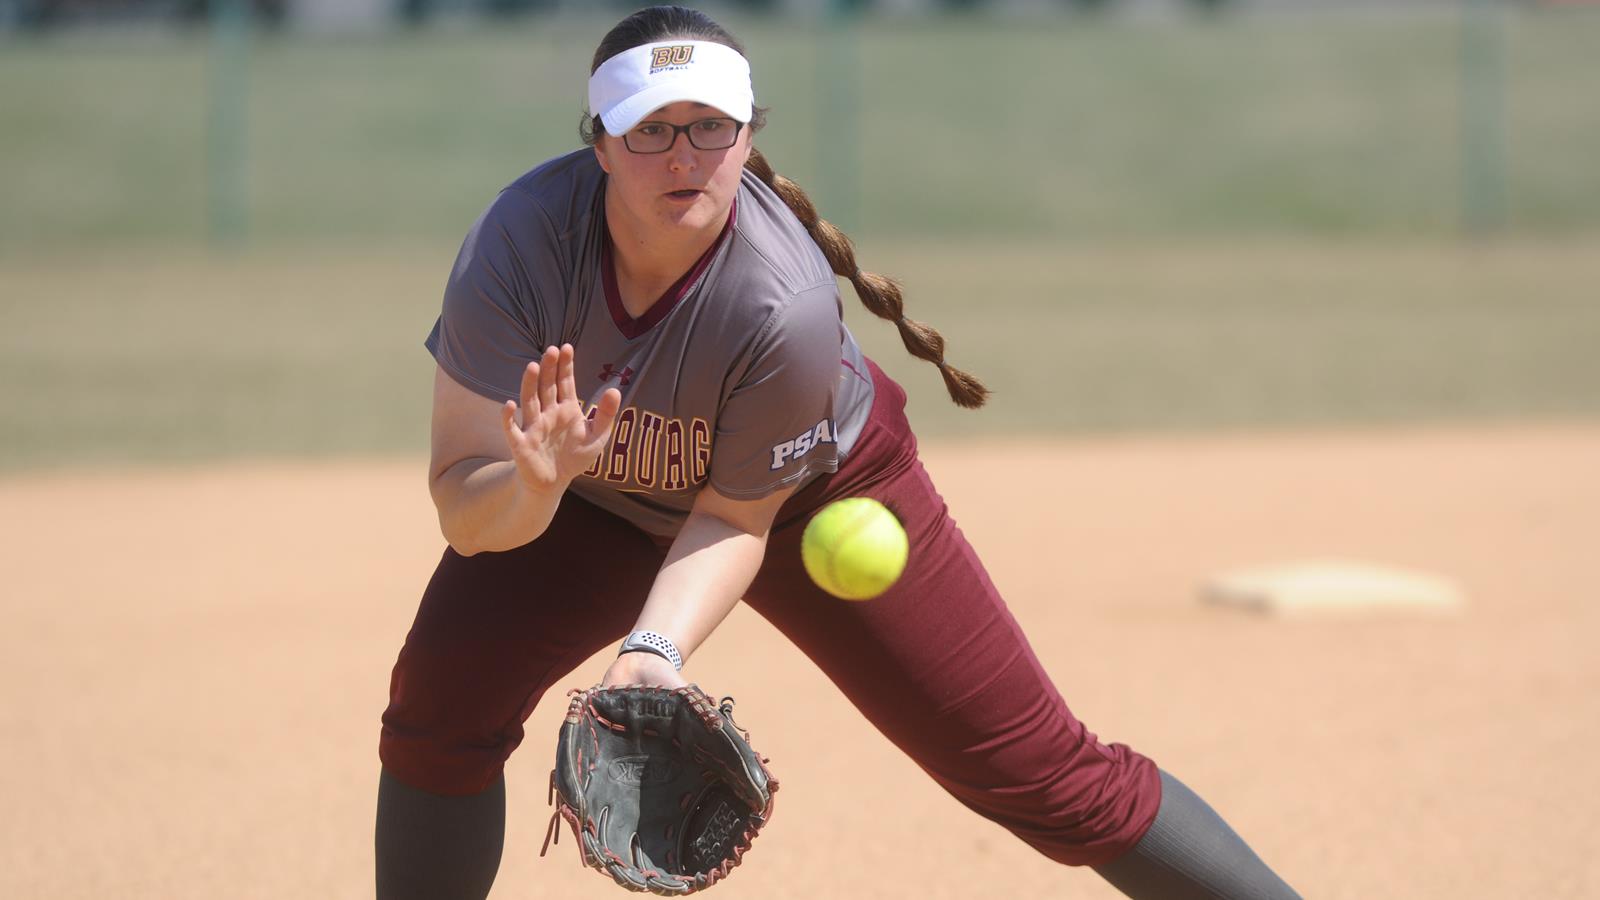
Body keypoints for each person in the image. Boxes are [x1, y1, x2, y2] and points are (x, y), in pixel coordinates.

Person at [375, 6, 1301, 898]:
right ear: (602, 145)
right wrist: (534, 488)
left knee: (1044, 776)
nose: (684, 154)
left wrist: (652, 652)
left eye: (710, 125)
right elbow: (465, 507)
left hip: (811, 493)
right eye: (650, 129)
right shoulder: (521, 244)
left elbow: (734, 517)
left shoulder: (781, 298)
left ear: (748, 135)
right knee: (437, 713)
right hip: (592, 499)